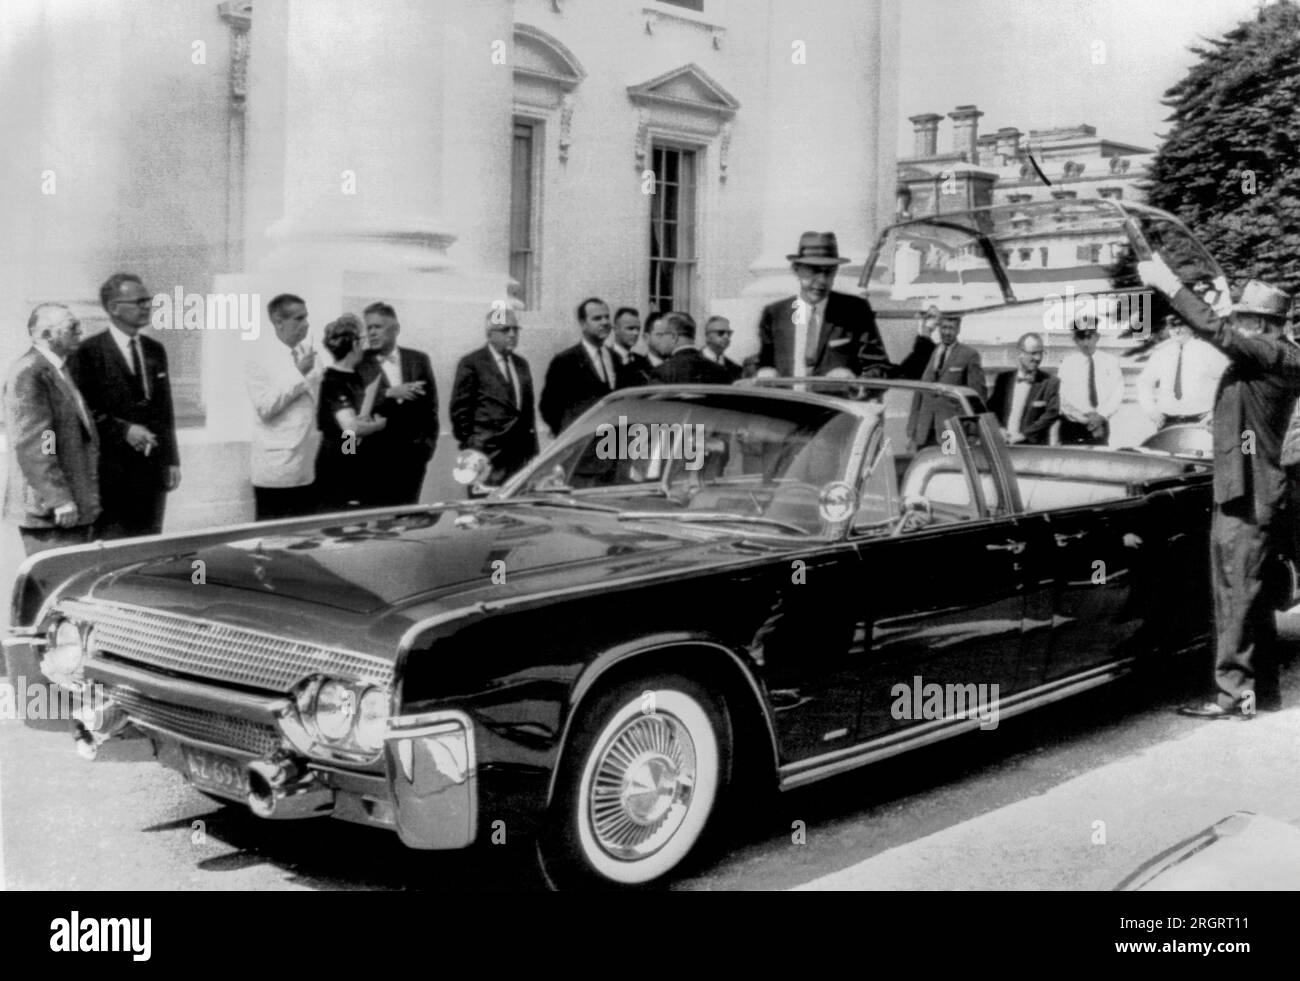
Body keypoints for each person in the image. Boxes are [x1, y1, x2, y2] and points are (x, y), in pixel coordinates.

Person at [1140, 255, 1300, 718]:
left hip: (1246, 494)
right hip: (1260, 490)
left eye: (1245, 318)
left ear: (1259, 322)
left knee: (1234, 595)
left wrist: (1168, 283)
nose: (1238, 324)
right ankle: (1256, 692)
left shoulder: (1266, 351)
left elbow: (1217, 331)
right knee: (1251, 598)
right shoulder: (1283, 353)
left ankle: (1234, 696)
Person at [70, 272, 179, 538]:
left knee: (148, 544)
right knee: (113, 545)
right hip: (111, 474)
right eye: (138, 301)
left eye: (148, 300)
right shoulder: (88, 353)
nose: (146, 306)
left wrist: (171, 460)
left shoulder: (155, 350)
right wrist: (123, 430)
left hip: (152, 472)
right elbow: (80, 413)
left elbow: (164, 410)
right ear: (113, 308)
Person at [3, 304, 100, 553]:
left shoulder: (57, 369)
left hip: (69, 508)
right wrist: (59, 498)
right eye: (72, 327)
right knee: (53, 584)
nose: (81, 331)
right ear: (47, 335)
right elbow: (39, 442)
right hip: (51, 512)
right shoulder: (29, 372)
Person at [757, 231, 891, 377]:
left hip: (833, 400)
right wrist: (763, 372)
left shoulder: (855, 311)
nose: (822, 280)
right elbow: (761, 362)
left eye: (829, 272)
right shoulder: (775, 314)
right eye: (814, 270)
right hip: (789, 400)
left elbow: (879, 367)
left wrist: (854, 383)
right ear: (796, 269)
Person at [244, 293, 322, 520]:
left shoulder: (312, 356)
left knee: (303, 540)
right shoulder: (258, 358)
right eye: (298, 319)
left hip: (306, 466)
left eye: (306, 317)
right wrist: (299, 373)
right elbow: (265, 408)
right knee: (273, 541)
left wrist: (349, 446)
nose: (306, 324)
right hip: (276, 469)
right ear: (278, 321)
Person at [359, 302, 439, 505]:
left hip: (413, 460)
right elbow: (353, 405)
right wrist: (388, 393)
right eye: (369, 328)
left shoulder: (418, 360)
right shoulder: (358, 363)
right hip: (372, 462)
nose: (372, 333)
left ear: (395, 329)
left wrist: (426, 450)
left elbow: (431, 409)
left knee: (405, 519)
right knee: (375, 524)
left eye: (378, 327)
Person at [449, 307, 538, 486]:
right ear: (490, 334)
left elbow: (527, 413)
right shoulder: (472, 363)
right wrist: (474, 447)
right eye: (506, 329)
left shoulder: (521, 365)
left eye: (515, 329)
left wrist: (533, 453)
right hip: (486, 459)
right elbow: (460, 412)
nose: (512, 334)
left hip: (519, 460)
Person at [314, 315, 386, 512]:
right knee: (339, 520)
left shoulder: (357, 376)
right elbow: (350, 429)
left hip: (352, 455)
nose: (365, 345)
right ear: (354, 344)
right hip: (336, 460)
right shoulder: (333, 381)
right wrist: (377, 426)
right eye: (362, 340)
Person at [906, 312, 986, 449]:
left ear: (958, 330)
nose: (947, 332)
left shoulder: (969, 355)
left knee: (948, 466)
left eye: (951, 328)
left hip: (951, 431)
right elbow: (918, 393)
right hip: (924, 430)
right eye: (944, 328)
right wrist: (912, 429)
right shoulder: (930, 353)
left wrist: (971, 433)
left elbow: (977, 397)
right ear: (939, 328)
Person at [539, 297, 618, 436]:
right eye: (597, 318)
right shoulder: (565, 361)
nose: (605, 322)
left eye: (607, 317)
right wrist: (569, 436)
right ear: (583, 324)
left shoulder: (615, 358)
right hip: (581, 444)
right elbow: (549, 407)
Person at [1136, 315, 1228, 431]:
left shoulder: (1208, 351)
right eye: (1173, 326)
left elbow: (1227, 382)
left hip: (1201, 421)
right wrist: (1150, 409)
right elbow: (1144, 382)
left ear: (1191, 327)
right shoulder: (1161, 353)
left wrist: (1214, 414)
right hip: (1167, 421)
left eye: (1181, 325)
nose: (1177, 330)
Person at [987, 332, 1060, 445]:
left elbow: (1051, 414)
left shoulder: (1050, 383)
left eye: (1041, 353)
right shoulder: (1003, 379)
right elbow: (992, 409)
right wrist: (999, 428)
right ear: (1020, 353)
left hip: (1032, 449)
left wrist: (1023, 436)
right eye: (1033, 353)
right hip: (1003, 445)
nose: (1038, 358)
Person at [1058, 319, 1123, 445]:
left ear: (1097, 337)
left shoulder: (1110, 362)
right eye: (1081, 338)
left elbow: (1117, 393)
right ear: (1075, 340)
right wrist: (1086, 418)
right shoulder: (1067, 363)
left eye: (1089, 337)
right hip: (1074, 426)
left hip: (1100, 425)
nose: (1086, 343)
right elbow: (1063, 397)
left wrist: (1101, 416)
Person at [650, 312, 731, 384]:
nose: (659, 340)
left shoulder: (662, 372)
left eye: (661, 335)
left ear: (674, 337)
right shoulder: (721, 371)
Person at [608, 306, 652, 387]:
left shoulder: (642, 361)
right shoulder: (606, 358)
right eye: (630, 328)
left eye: (638, 329)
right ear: (615, 329)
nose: (636, 333)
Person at [701, 315, 743, 381]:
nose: (726, 337)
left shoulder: (735, 369)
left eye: (729, 333)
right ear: (707, 336)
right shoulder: (693, 361)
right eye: (721, 333)